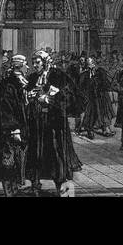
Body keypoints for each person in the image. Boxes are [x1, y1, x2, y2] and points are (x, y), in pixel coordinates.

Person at [25, 50, 82, 195]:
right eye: (33, 62)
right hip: (37, 122)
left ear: (45, 62)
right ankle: (35, 182)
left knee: (55, 151)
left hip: (54, 122)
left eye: (37, 62)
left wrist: (51, 99)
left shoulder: (58, 75)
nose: (35, 65)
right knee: (35, 151)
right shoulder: (32, 77)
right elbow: (25, 95)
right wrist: (30, 97)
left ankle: (60, 184)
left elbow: (70, 95)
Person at [0, 53, 30, 196]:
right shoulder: (9, 84)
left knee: (16, 160)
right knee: (8, 161)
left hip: (16, 128)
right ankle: (9, 192)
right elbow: (6, 107)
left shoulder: (19, 81)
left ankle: (14, 190)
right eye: (25, 64)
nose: (28, 67)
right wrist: (14, 129)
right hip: (8, 130)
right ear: (20, 66)